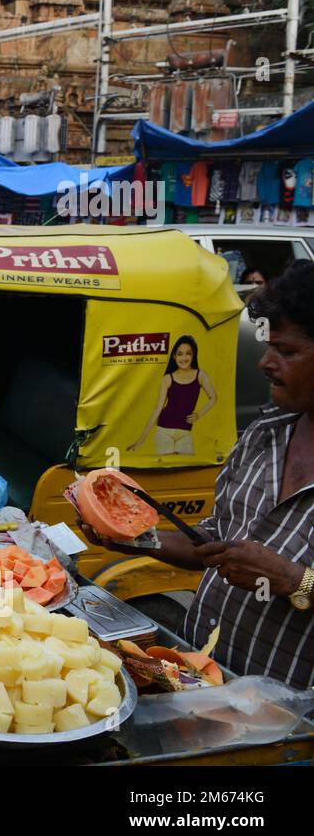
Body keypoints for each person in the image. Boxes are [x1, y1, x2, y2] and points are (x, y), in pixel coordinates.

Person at [82, 261, 314, 687]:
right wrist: (134, 537)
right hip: (203, 681)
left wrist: (295, 580)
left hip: (290, 724)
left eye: (286, 351)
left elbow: (291, 580)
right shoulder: (264, 436)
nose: (264, 363)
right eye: (267, 346)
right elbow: (212, 543)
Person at [128, 335, 217, 455]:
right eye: (180, 354)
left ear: (193, 355)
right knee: (167, 467)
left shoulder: (200, 375)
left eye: (188, 353)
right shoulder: (167, 378)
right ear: (174, 356)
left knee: (186, 466)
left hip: (185, 432)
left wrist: (198, 414)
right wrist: (141, 440)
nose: (184, 358)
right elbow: (157, 409)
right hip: (164, 430)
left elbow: (213, 397)